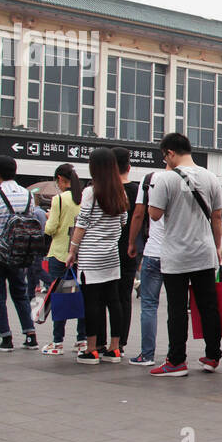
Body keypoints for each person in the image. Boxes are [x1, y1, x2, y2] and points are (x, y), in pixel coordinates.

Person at [146, 133, 222, 376]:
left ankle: (177, 360)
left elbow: (154, 214)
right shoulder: (210, 177)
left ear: (170, 153)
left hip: (176, 255)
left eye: (164, 156)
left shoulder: (165, 179)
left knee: (177, 309)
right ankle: (212, 356)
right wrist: (218, 247)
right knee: (208, 306)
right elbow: (217, 216)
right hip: (203, 252)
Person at [67, 148, 129, 364]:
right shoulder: (120, 191)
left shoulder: (91, 192)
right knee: (114, 301)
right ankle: (115, 348)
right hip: (111, 256)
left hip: (91, 256)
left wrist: (72, 250)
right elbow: (123, 221)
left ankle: (91, 349)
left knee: (91, 303)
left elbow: (82, 223)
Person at [0, 155, 41, 352]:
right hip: (20, 252)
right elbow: (30, 219)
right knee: (20, 294)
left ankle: (6, 339)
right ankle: (30, 334)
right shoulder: (28, 194)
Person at [40, 163, 87, 356]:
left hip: (59, 254)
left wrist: (50, 217)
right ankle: (82, 340)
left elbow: (50, 229)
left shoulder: (59, 200)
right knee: (81, 298)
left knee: (59, 298)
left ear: (60, 178)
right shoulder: (84, 198)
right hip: (80, 255)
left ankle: (57, 342)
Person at [127, 164, 163, 366]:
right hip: (180, 254)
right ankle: (177, 356)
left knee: (149, 305)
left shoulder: (149, 180)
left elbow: (139, 213)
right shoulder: (191, 179)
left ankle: (147, 354)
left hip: (154, 251)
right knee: (176, 308)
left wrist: (132, 242)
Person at [113, 148, 140, 348]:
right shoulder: (138, 190)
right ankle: (120, 342)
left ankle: (103, 341)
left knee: (105, 297)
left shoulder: (102, 189)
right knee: (125, 297)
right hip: (130, 249)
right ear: (129, 167)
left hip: (107, 250)